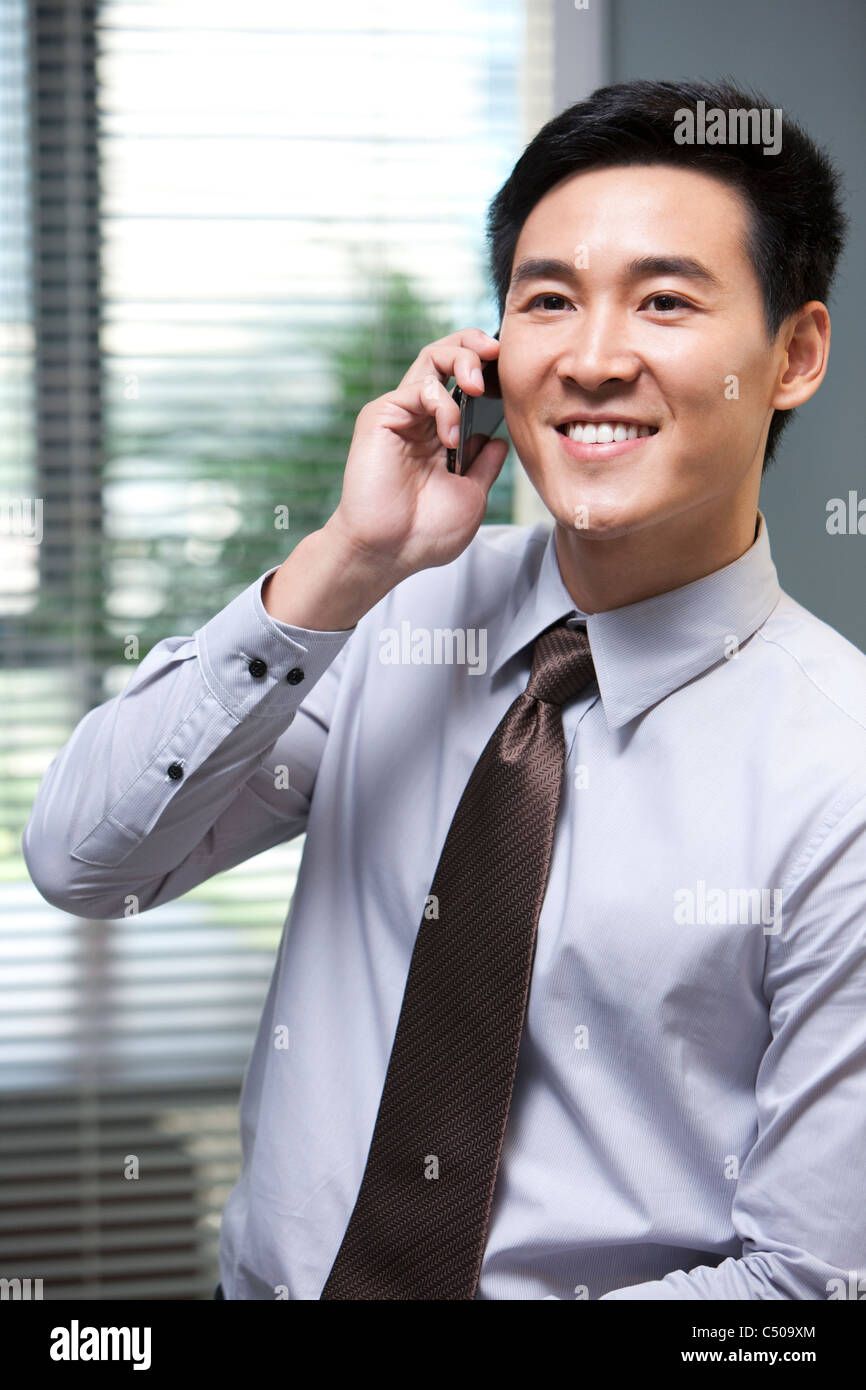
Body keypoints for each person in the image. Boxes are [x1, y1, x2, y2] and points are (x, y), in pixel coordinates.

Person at [23, 78, 866, 1301]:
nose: (589, 359)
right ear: (488, 354)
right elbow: (82, 860)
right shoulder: (390, 617)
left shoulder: (838, 767)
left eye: (665, 300)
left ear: (791, 354)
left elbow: (806, 1279)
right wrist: (346, 561)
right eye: (546, 301)